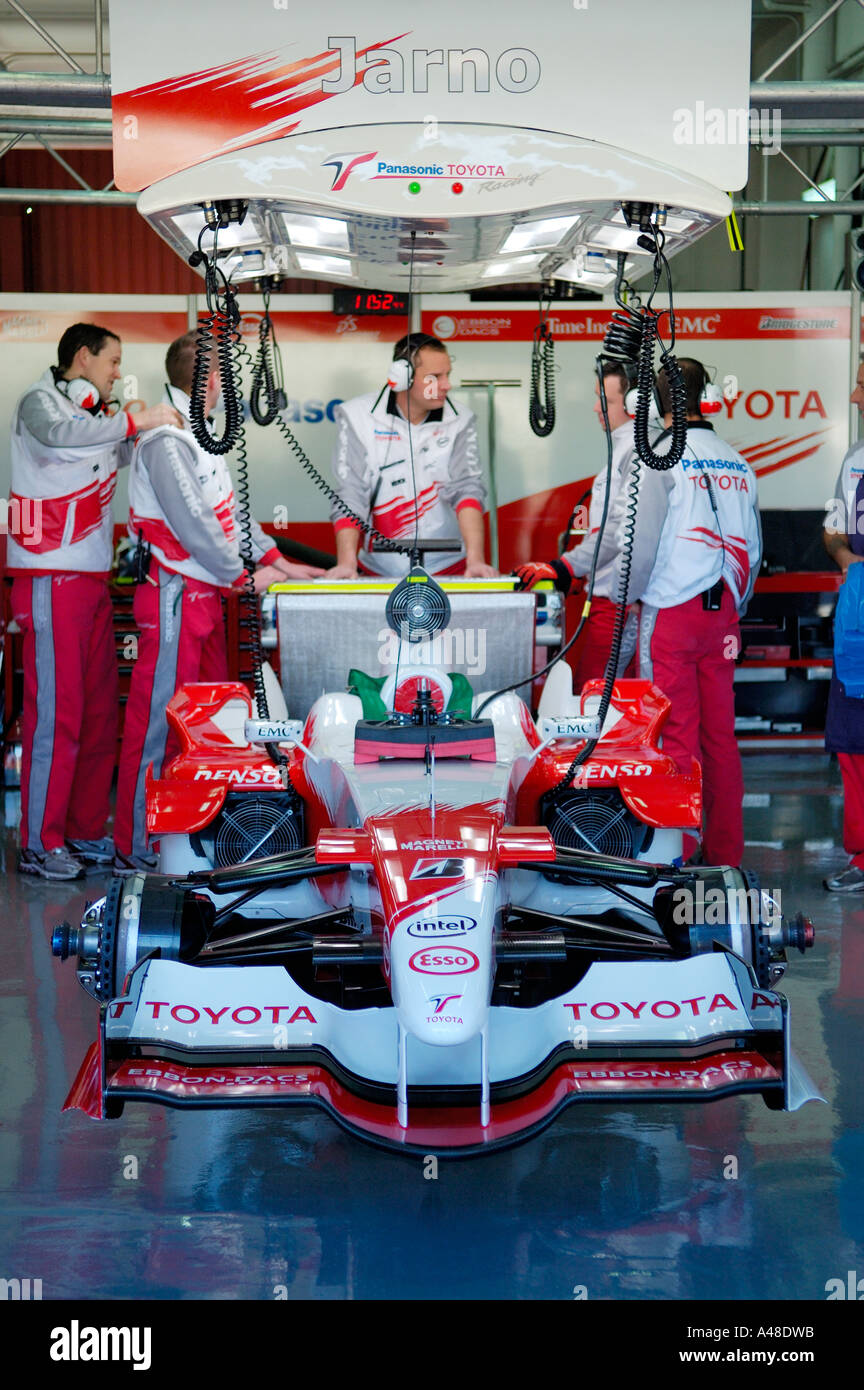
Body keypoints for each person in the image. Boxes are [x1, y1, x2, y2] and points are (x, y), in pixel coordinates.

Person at [113, 331, 326, 872]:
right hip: (174, 594)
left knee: (211, 724)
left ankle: (194, 837)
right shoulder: (167, 439)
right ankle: (136, 844)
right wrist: (244, 576)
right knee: (159, 724)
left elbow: (230, 515)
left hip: (203, 596)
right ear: (207, 378)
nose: (230, 384)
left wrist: (279, 562)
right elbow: (196, 526)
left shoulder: (200, 434)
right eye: (224, 373)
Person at [7, 322, 181, 880]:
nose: (116, 373)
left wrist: (153, 427)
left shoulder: (94, 417)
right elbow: (60, 436)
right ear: (82, 358)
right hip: (48, 579)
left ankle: (81, 832)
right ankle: (38, 841)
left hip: (92, 582)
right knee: (56, 716)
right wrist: (133, 418)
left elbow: (122, 450)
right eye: (112, 362)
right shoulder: (40, 403)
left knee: (100, 713)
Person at [611, 358, 762, 867]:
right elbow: (755, 550)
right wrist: (732, 606)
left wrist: (620, 594)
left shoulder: (658, 457)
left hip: (671, 611)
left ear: (651, 405)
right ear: (709, 397)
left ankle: (679, 853)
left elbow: (642, 543)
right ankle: (725, 856)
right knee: (720, 737)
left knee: (673, 734)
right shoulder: (739, 461)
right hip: (724, 615)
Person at [513, 361, 642, 684]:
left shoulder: (637, 452)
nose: (596, 407)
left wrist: (563, 567)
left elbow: (617, 535)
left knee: (596, 697)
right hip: (610, 598)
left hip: (619, 603)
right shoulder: (625, 449)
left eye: (606, 400)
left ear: (634, 402)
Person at [328, 333, 496, 578]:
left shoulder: (461, 419)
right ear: (402, 378)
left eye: (448, 374)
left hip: (450, 566)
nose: (447, 384)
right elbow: (351, 492)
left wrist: (476, 560)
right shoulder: (357, 416)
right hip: (379, 569)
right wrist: (346, 563)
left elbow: (467, 489)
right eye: (435, 377)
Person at [822, 359, 864, 890]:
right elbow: (832, 528)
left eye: (861, 384)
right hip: (858, 615)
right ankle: (861, 858)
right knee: (855, 744)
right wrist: (845, 558)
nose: (855, 396)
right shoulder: (855, 460)